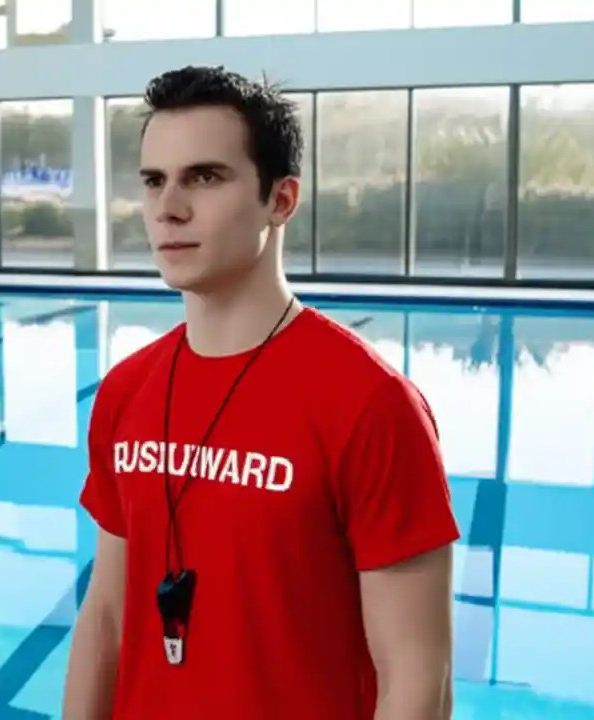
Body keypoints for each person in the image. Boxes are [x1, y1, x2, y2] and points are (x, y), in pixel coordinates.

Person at [62, 65, 460, 719]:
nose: (169, 207)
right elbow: (105, 618)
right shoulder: (125, 393)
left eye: (205, 177)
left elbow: (417, 671)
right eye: (155, 181)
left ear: (281, 199)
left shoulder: (371, 405)